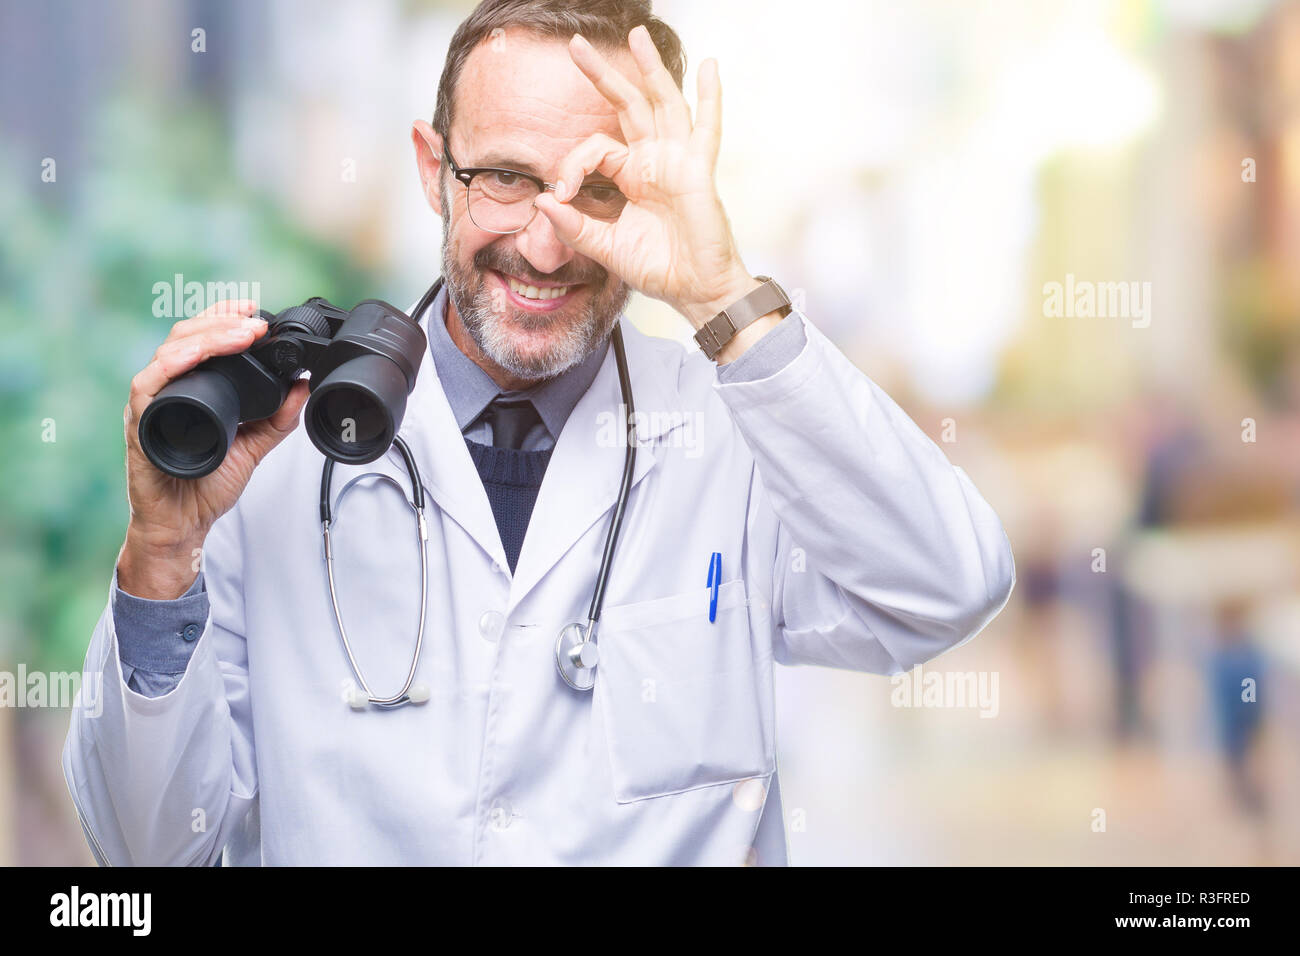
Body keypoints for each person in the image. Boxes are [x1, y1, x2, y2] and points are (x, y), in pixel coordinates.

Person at [63, 0, 1015, 866]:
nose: (547, 245)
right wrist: (161, 553)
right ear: (435, 170)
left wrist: (723, 296)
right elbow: (148, 856)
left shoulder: (738, 433)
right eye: (508, 179)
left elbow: (946, 586)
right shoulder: (271, 453)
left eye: (599, 188)